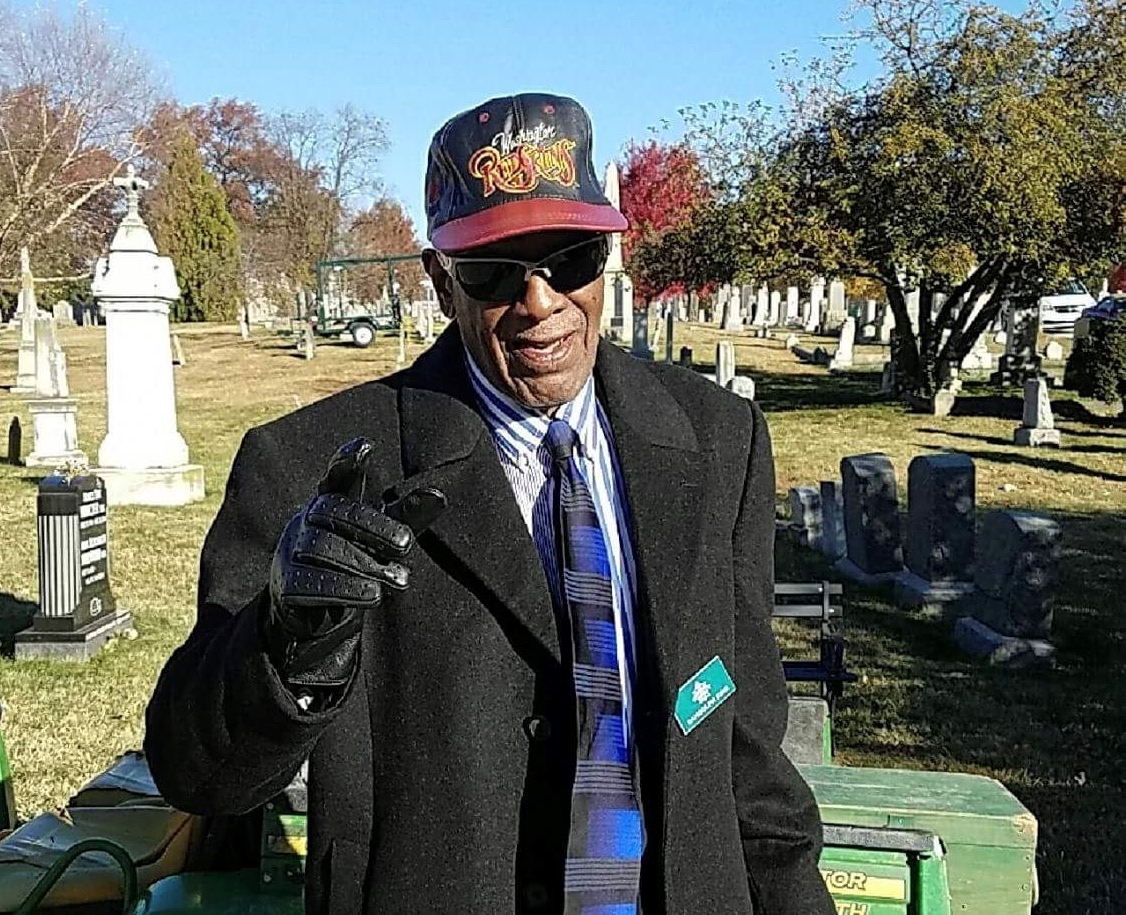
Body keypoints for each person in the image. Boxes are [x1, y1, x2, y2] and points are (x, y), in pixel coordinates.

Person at [144, 92, 835, 915]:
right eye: (494, 269)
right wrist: (286, 646)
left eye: (569, 256)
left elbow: (747, 743)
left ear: (607, 256)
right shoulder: (306, 466)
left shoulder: (719, 440)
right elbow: (198, 771)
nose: (539, 299)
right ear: (441, 281)